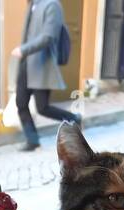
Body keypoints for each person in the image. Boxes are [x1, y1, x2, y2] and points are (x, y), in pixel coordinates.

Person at [12, 0, 80, 152]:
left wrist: (24, 49)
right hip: (26, 64)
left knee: (42, 108)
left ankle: (73, 118)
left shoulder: (52, 5)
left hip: (42, 65)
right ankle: (32, 140)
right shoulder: (32, 5)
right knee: (21, 103)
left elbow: (48, 36)